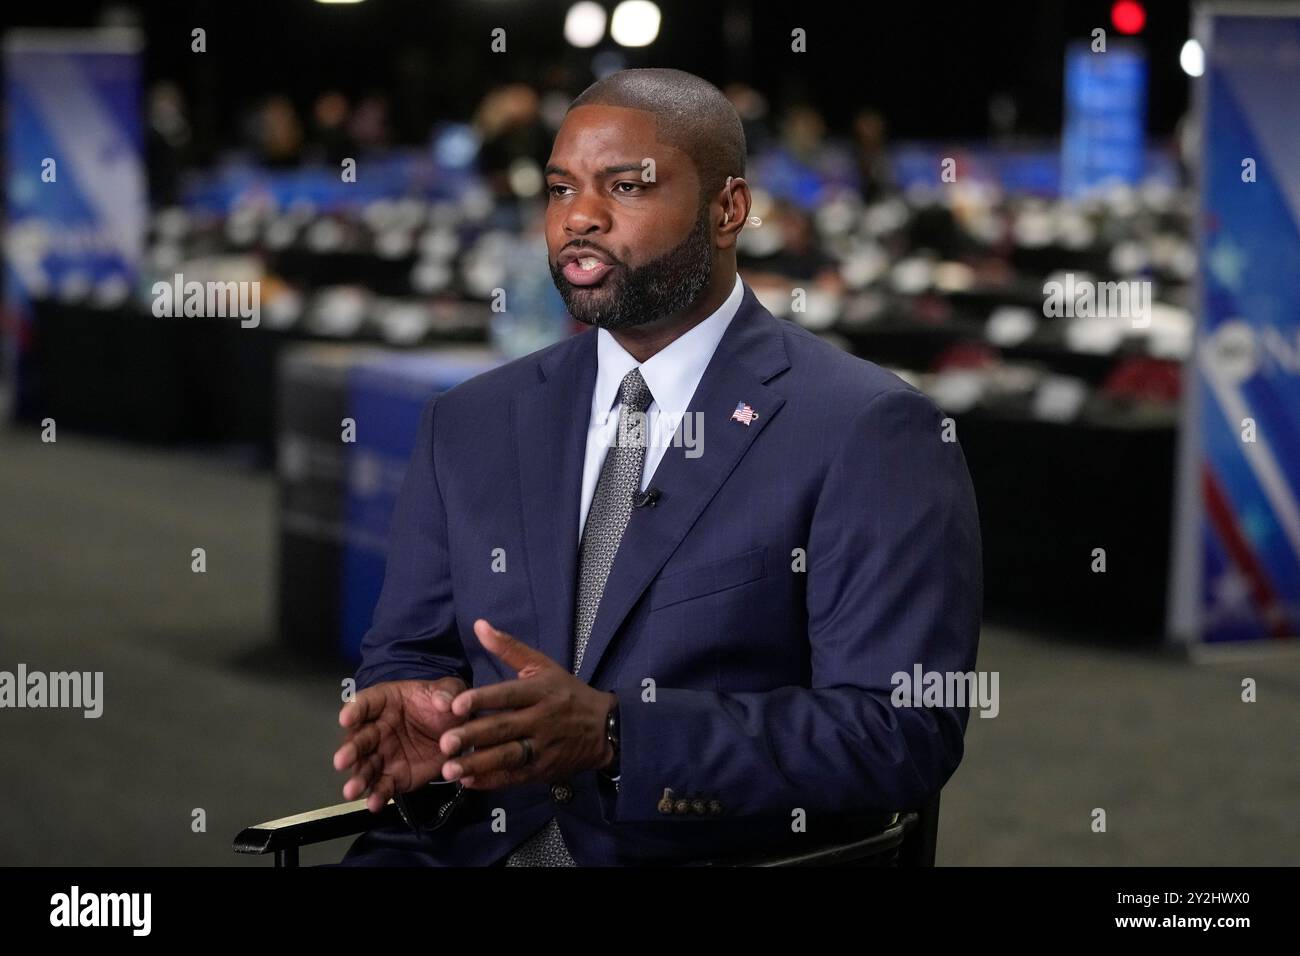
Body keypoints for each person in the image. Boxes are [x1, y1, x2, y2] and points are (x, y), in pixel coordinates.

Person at [331, 68, 982, 866]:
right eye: (560, 187)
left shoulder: (867, 429)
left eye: (626, 186)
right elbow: (411, 649)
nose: (579, 218)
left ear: (727, 209)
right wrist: (417, 703)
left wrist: (617, 737)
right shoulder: (469, 421)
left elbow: (899, 732)